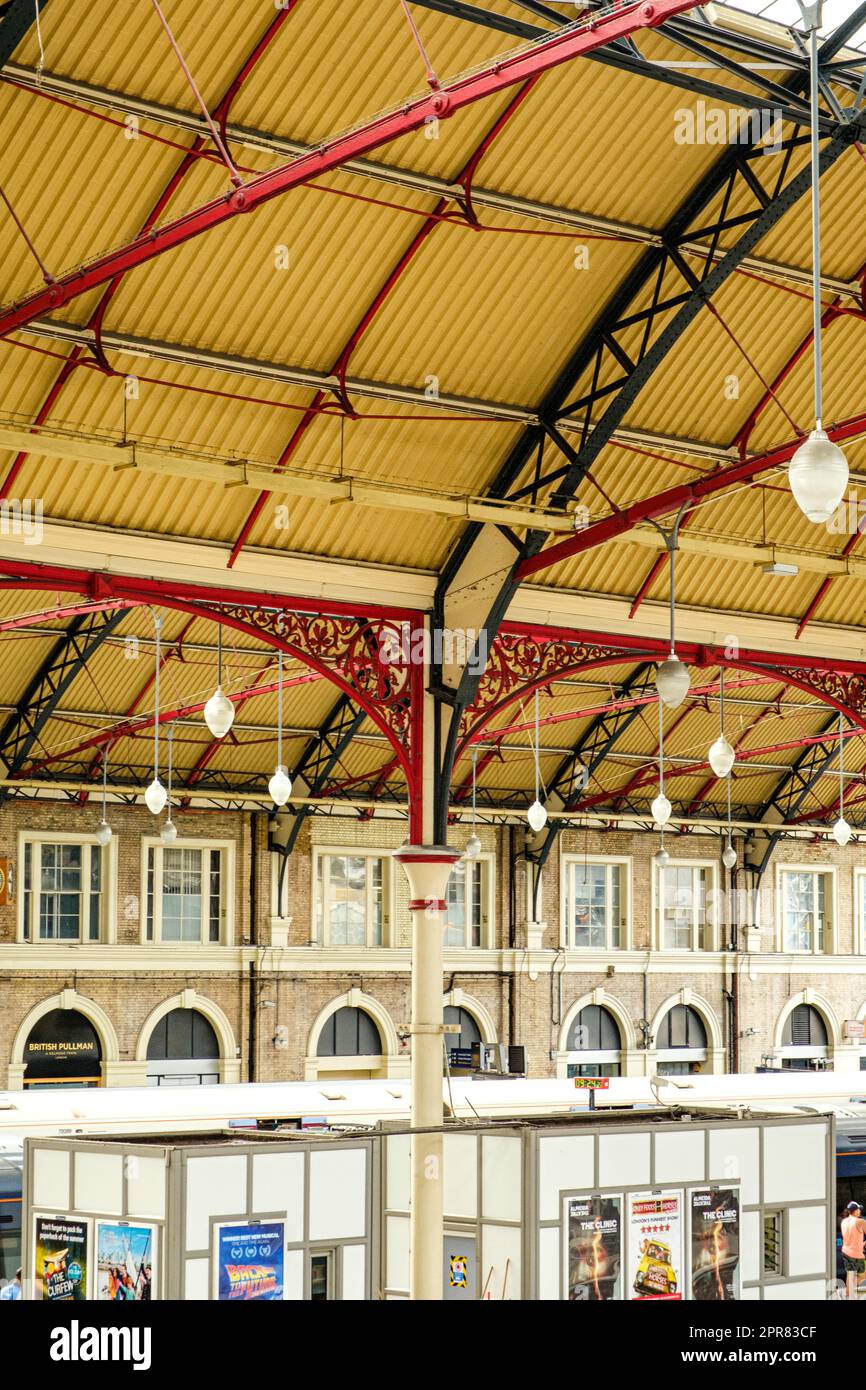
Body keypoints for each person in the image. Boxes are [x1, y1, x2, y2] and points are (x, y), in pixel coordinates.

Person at [841, 1201, 866, 1299]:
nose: (860, 1211)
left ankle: (849, 1295)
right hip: (856, 1254)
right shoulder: (860, 1221)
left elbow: (851, 1237)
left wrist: (861, 1243)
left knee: (850, 1274)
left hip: (846, 1251)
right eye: (858, 1209)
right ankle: (853, 1295)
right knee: (862, 1276)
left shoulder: (844, 1221)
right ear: (855, 1211)